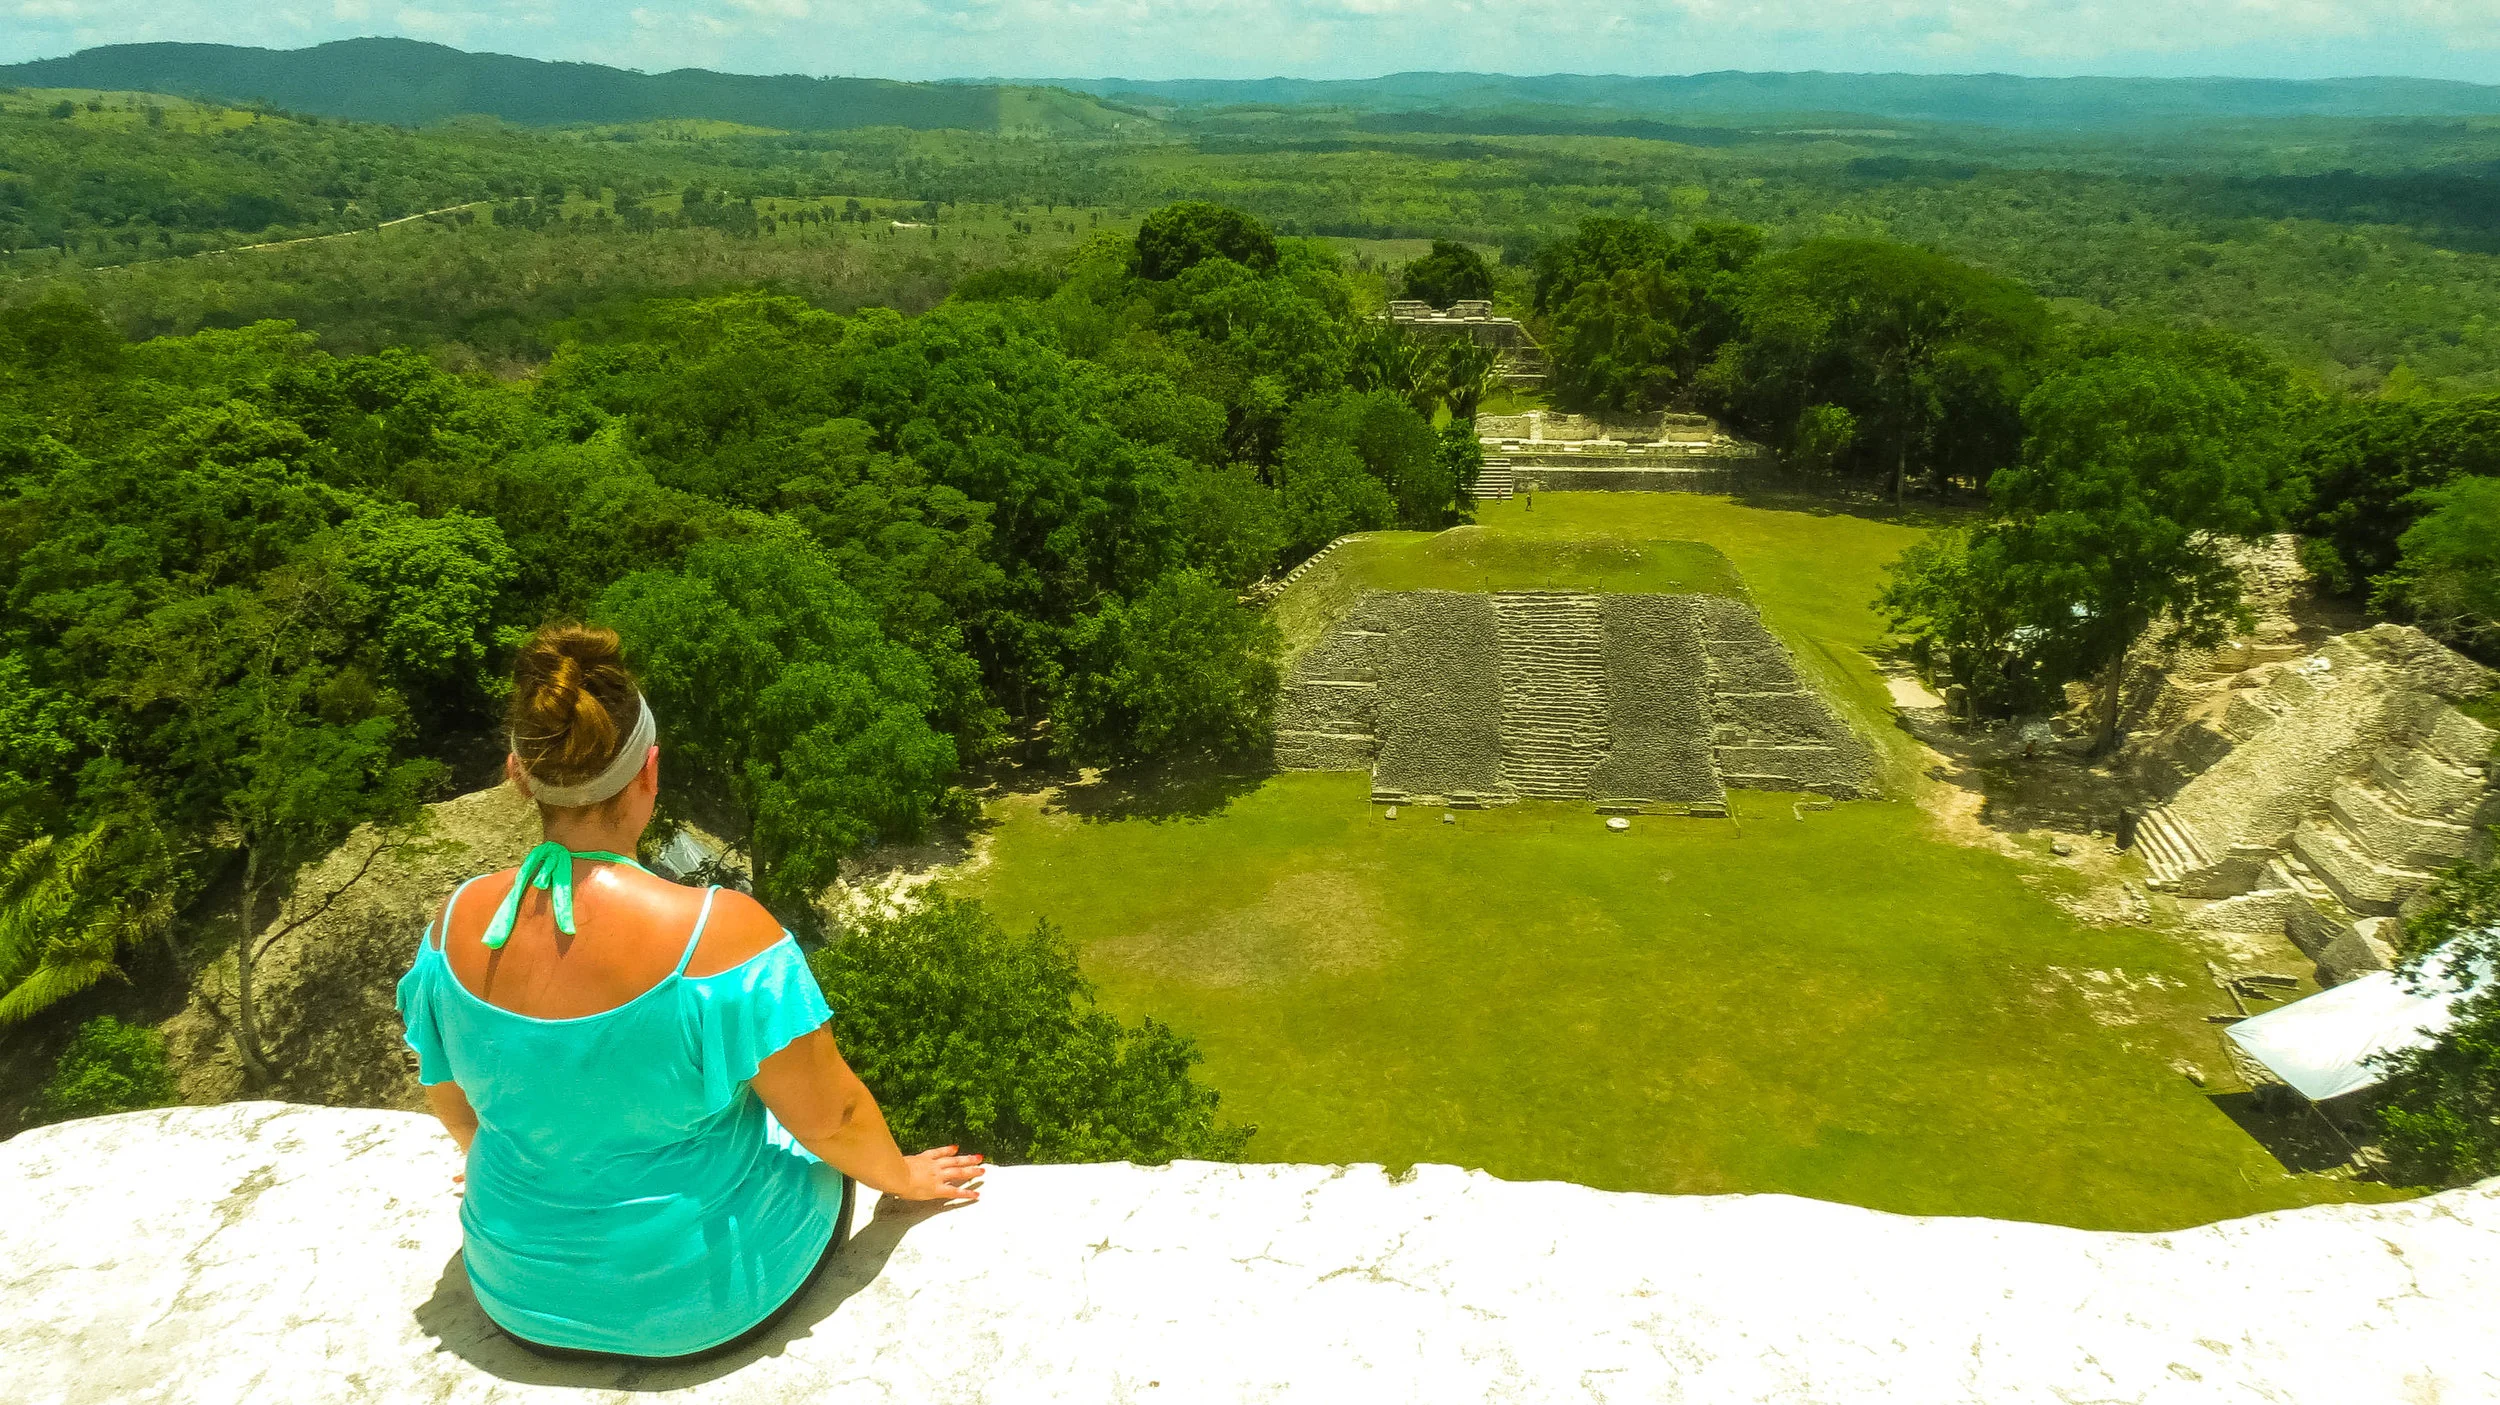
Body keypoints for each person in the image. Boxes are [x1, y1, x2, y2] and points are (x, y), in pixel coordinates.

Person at [395, 623, 982, 1362]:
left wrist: (518, 1166)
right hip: (701, 1303)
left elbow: (452, 1097)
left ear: (518, 774)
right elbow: (831, 1118)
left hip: (517, 1292)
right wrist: (903, 1177)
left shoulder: (455, 923)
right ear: (650, 770)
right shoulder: (720, 935)